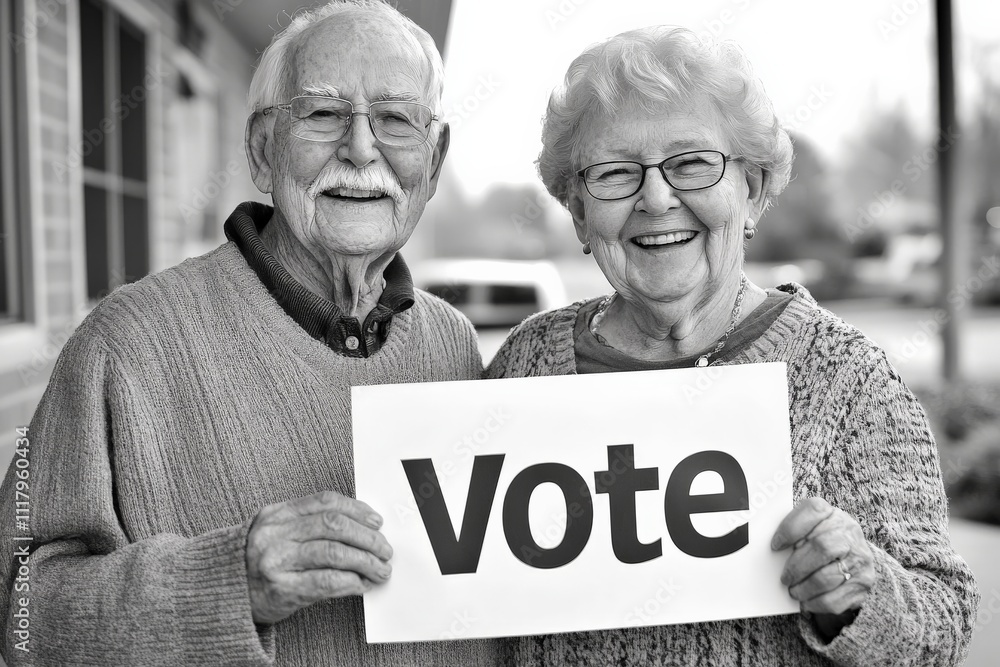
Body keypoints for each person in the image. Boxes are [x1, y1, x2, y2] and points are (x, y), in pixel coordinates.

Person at [0, 1, 503, 665]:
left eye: (396, 119)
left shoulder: (454, 346)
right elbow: (20, 610)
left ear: (433, 163)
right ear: (264, 149)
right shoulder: (124, 345)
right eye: (323, 114)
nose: (360, 147)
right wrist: (226, 582)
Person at [486, 26, 979, 666]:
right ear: (579, 213)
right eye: (614, 172)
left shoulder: (846, 378)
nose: (657, 198)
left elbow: (943, 624)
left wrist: (861, 593)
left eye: (693, 162)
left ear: (751, 188)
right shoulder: (522, 370)